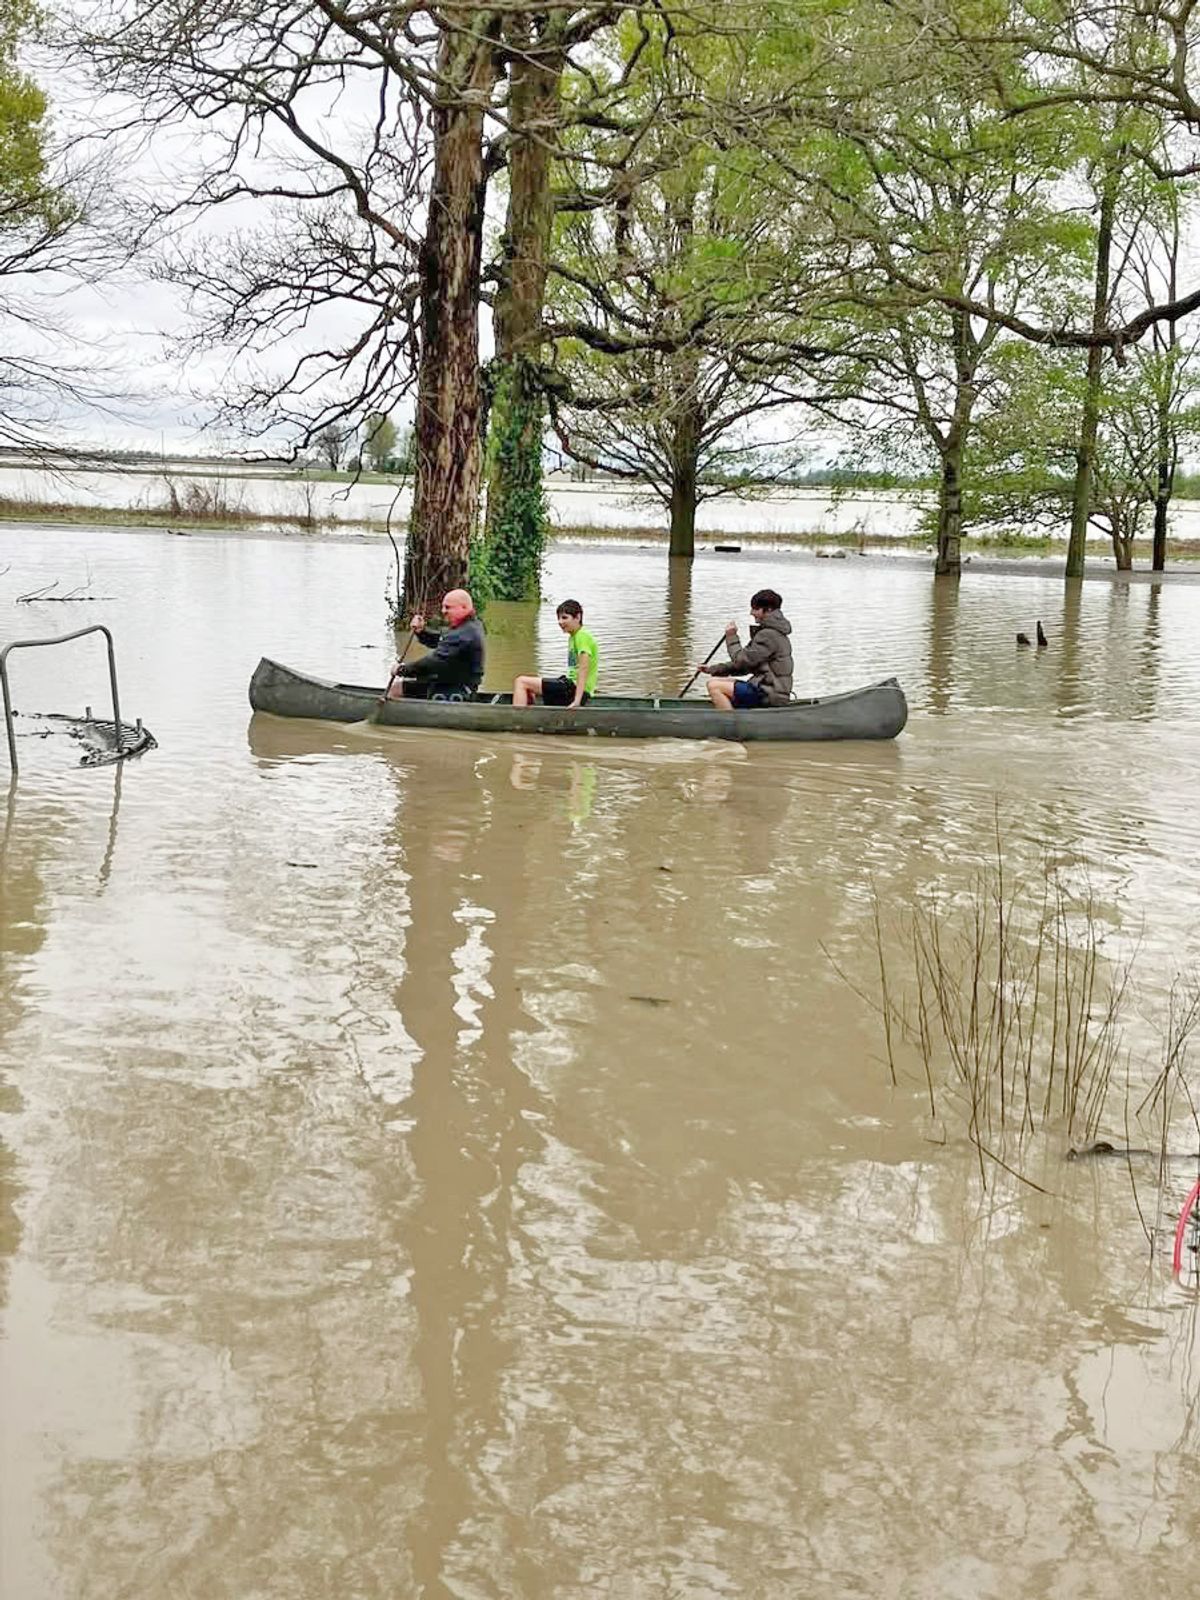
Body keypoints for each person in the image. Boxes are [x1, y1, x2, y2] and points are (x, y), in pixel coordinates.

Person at [694, 588, 793, 710]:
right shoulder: (772, 632)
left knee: (715, 686)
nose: (751, 612)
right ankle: (731, 713)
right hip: (766, 688)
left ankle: (730, 726)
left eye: (755, 609)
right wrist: (712, 669)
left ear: (768, 610)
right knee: (714, 680)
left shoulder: (768, 635)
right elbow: (745, 666)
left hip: (769, 693)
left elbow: (740, 660)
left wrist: (731, 637)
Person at [386, 588, 485, 701]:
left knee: (396, 690)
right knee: (403, 686)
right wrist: (421, 632)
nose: (443, 611)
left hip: (455, 689)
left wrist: (402, 670)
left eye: (448, 607)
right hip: (452, 683)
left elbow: (433, 662)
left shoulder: (465, 633)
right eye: (443, 607)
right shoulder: (471, 625)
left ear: (464, 607)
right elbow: (443, 641)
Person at [512, 599, 600, 710]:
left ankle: (517, 720)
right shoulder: (574, 637)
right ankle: (530, 716)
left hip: (573, 690)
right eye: (558, 618)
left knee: (521, 682)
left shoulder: (582, 636)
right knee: (529, 687)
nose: (560, 622)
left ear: (578, 617)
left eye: (564, 617)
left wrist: (577, 701)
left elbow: (583, 669)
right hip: (570, 687)